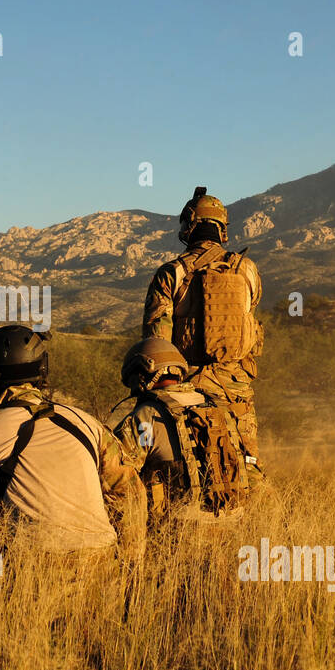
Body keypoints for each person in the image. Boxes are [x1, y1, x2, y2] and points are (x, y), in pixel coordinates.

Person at [0, 325, 146, 560]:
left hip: (25, 567)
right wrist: (131, 563)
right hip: (99, 563)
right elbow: (130, 496)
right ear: (42, 369)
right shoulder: (87, 423)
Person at [142, 186, 264, 490]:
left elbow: (156, 343)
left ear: (189, 227)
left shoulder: (172, 273)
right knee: (247, 467)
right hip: (237, 389)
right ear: (221, 229)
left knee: (184, 469)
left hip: (187, 390)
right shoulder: (246, 269)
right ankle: (261, 525)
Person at [114, 337, 251, 523]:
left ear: (141, 374)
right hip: (233, 518)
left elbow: (115, 474)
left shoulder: (146, 415)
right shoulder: (216, 406)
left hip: (179, 525)